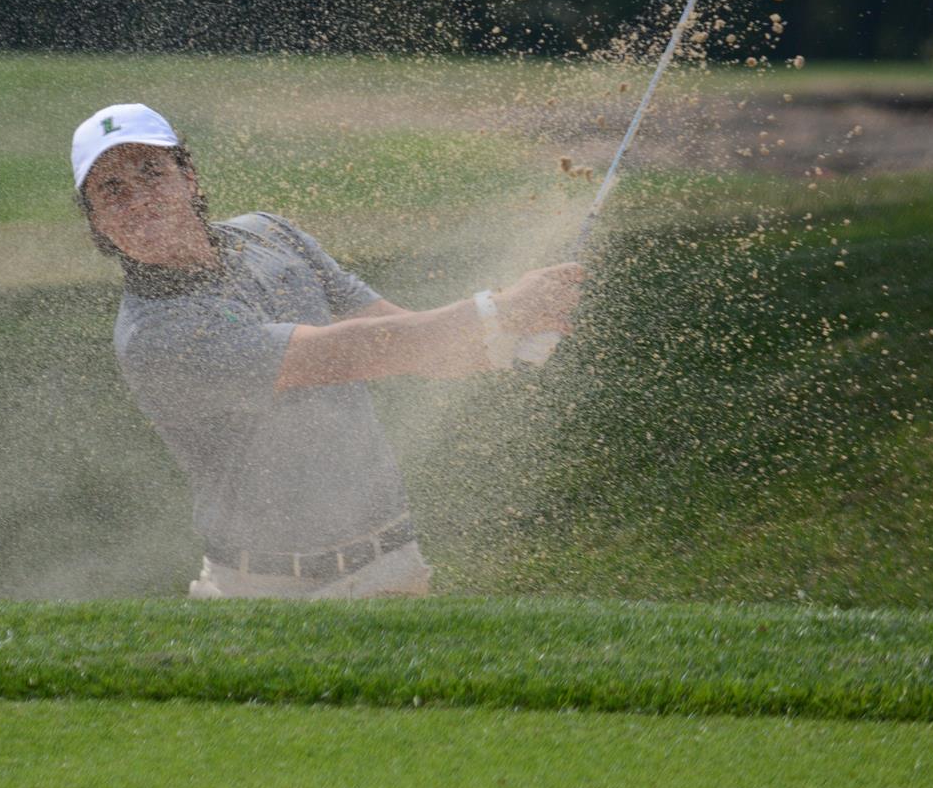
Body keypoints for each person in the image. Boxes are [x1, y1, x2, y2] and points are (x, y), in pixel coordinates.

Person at [71, 103, 584, 599]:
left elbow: (401, 336)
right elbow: (349, 352)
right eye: (112, 190)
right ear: (96, 222)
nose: (138, 198)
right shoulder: (158, 332)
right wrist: (499, 312)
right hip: (267, 589)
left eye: (151, 172)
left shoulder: (270, 234)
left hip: (389, 561)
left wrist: (502, 342)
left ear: (189, 179)